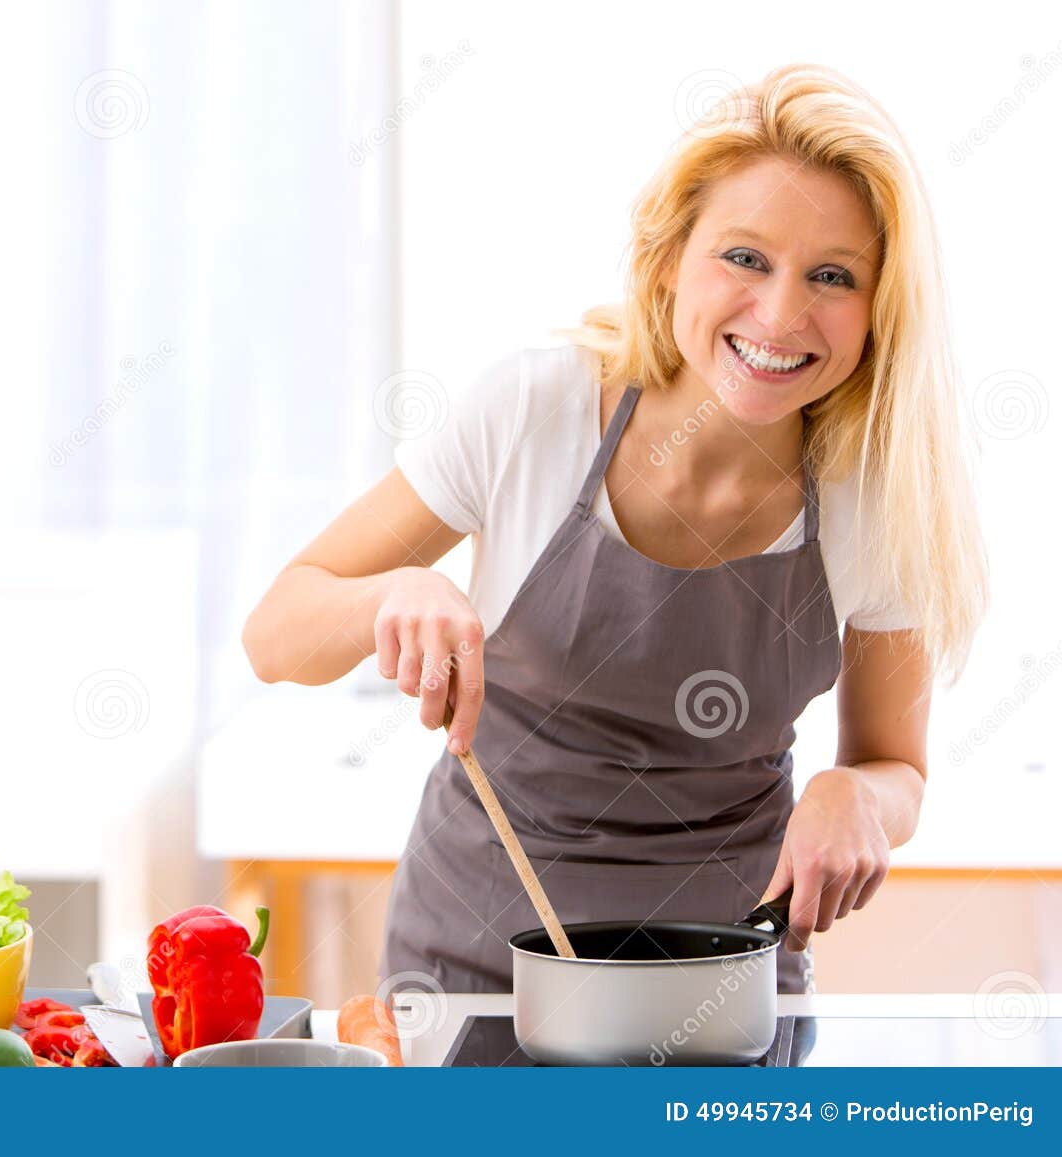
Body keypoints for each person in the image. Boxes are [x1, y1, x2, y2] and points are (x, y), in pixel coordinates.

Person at [241, 64, 987, 994]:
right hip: (472, 973)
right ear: (669, 258)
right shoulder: (532, 411)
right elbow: (275, 635)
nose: (781, 312)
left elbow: (894, 766)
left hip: (721, 991)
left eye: (832, 276)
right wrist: (396, 591)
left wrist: (854, 792)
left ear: (879, 310)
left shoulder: (875, 495)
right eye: (745, 257)